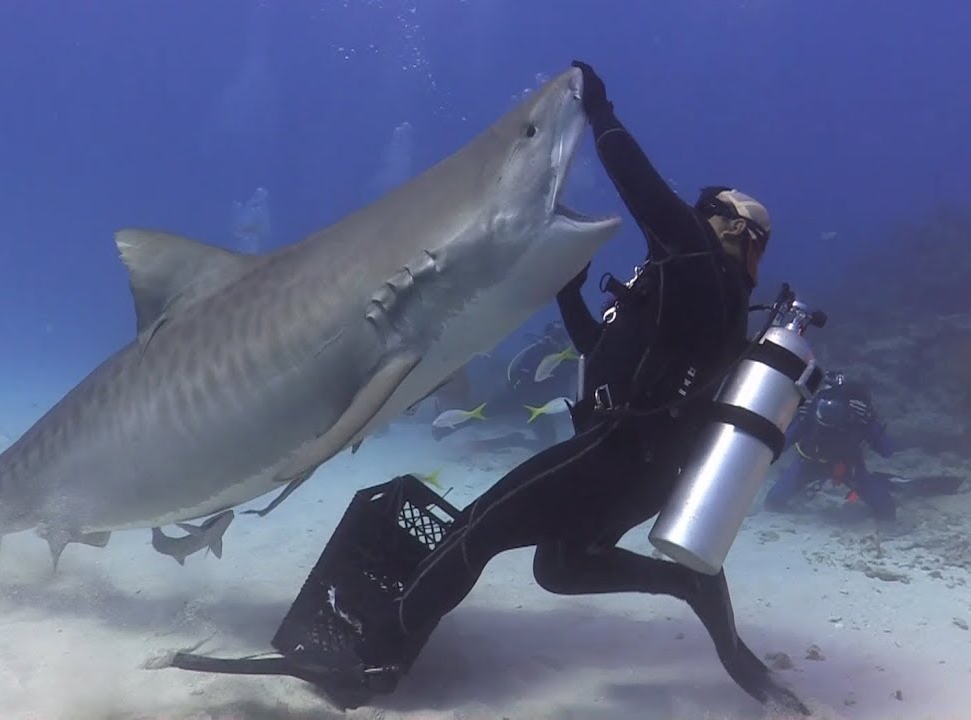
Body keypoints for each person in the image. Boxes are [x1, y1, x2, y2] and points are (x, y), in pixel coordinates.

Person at [334, 60, 808, 713]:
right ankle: (687, 585)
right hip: (643, 464)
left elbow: (642, 188)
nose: (693, 219)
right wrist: (569, 298)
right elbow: (603, 354)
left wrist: (600, 110)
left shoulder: (699, 265)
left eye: (707, 213)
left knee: (479, 529)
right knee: (559, 568)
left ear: (729, 230)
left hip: (619, 453)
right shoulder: (708, 296)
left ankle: (375, 661)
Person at [763, 373, 901, 521]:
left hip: (848, 467)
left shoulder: (857, 417)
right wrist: (797, 417)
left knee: (887, 511)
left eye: (835, 407)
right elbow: (782, 445)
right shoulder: (809, 413)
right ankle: (879, 481)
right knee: (772, 502)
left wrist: (871, 421)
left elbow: (887, 450)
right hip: (809, 464)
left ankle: (883, 481)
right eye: (824, 405)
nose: (829, 412)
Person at [431, 320, 579, 452]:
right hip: (519, 397)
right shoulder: (537, 352)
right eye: (556, 336)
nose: (558, 341)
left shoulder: (566, 359)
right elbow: (516, 374)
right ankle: (442, 429)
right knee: (478, 413)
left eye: (560, 336)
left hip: (537, 405)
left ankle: (514, 440)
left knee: (547, 444)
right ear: (548, 337)